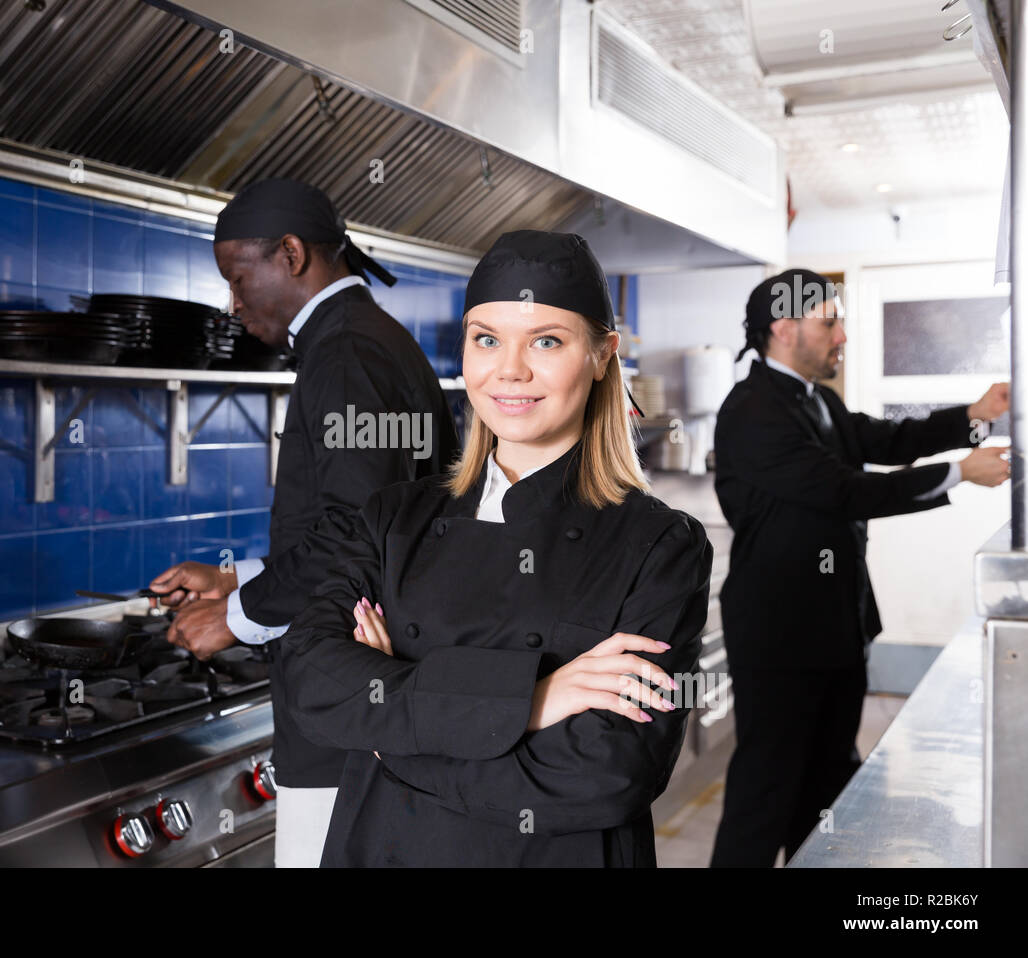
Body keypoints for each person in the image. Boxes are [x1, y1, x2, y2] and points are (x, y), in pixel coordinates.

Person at [276, 230, 713, 866]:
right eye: (487, 339)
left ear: (601, 355)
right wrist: (533, 701)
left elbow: (610, 771)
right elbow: (310, 679)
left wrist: (394, 736)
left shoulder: (660, 545)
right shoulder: (394, 517)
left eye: (546, 341)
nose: (510, 370)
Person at [148, 178, 459, 868]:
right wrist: (236, 578)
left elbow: (357, 525)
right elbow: (367, 517)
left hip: (349, 703)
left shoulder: (347, 354)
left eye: (238, 276)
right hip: (375, 690)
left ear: (289, 254)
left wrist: (238, 614)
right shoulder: (372, 341)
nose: (233, 302)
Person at [710, 268, 1010, 867]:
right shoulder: (752, 411)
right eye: (830, 321)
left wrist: (976, 416)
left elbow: (888, 440)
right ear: (785, 327)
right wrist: (960, 472)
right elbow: (844, 492)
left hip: (835, 630)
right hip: (779, 637)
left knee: (826, 787)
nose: (841, 335)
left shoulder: (818, 399)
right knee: (765, 791)